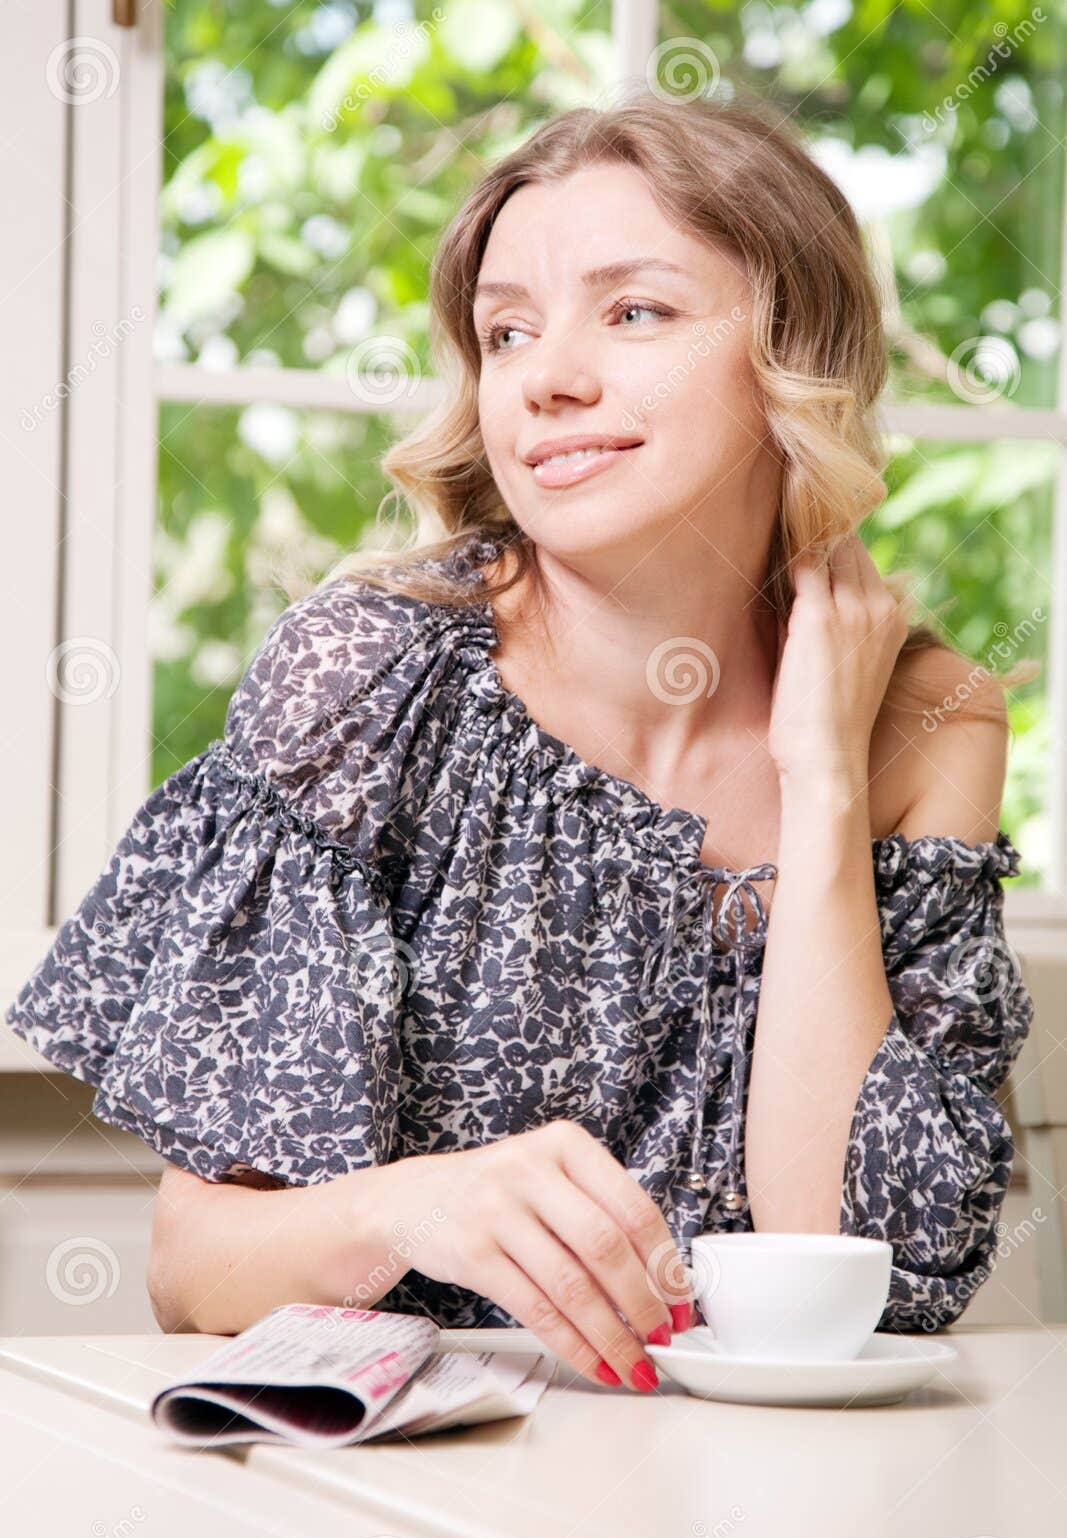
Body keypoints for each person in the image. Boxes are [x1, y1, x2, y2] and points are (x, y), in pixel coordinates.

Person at [5, 90, 1035, 1394]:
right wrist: (411, 1208)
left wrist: (822, 783)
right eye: (507, 329)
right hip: (431, 1492)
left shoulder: (928, 719)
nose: (546, 377)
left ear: (797, 352)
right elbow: (193, 1262)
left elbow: (860, 1269)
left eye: (636, 308)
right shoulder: (370, 676)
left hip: (765, 1493)